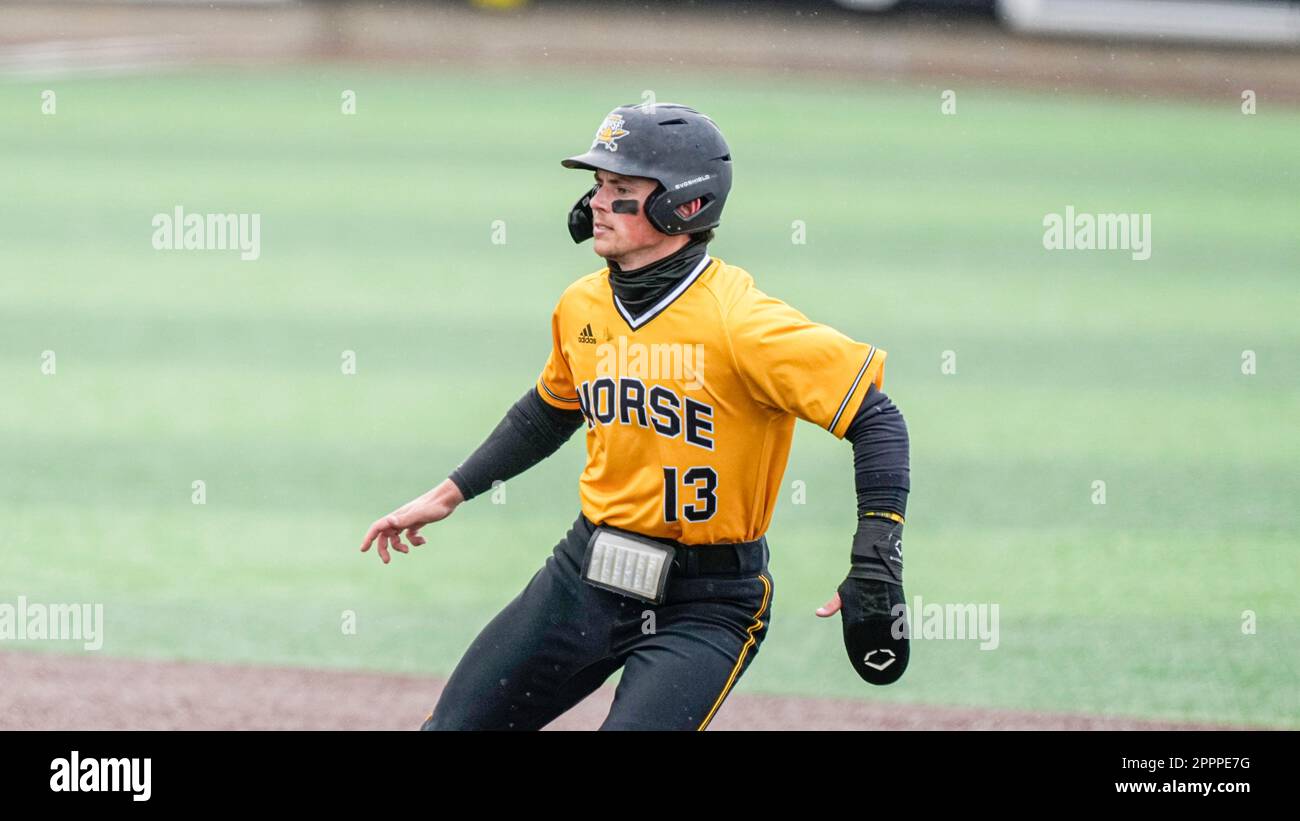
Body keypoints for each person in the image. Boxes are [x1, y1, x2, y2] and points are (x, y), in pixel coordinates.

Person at [359, 103, 912, 731]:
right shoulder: (582, 305)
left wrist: (876, 557)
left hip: (708, 604)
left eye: (621, 189)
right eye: (597, 184)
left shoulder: (743, 322)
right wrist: (451, 491)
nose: (597, 201)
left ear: (685, 204)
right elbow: (550, 409)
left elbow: (877, 419)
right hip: (585, 576)